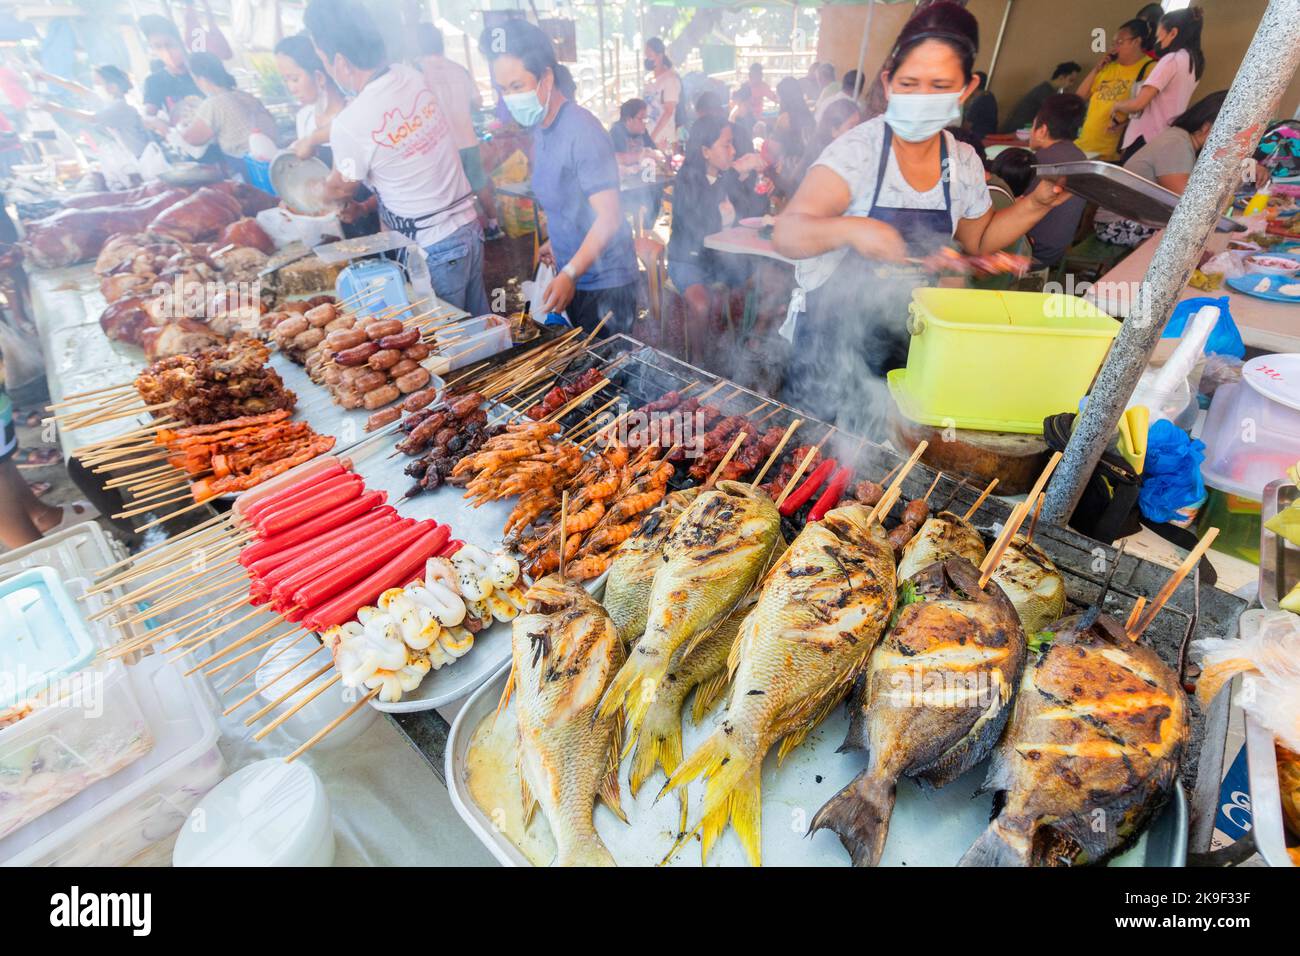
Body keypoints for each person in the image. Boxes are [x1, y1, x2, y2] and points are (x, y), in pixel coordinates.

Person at [773, 1, 1071, 422]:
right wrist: (851, 228)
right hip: (831, 345)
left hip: (911, 341)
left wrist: (1034, 206)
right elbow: (786, 233)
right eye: (910, 83)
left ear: (966, 88)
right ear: (889, 83)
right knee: (813, 459)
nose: (922, 97)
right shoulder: (859, 152)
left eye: (939, 85)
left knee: (887, 460)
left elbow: (978, 241)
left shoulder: (962, 162)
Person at [307, 0, 487, 316]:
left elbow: (337, 190)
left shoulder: (351, 123)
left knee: (452, 347)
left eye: (321, 59)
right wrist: (364, 207)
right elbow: (404, 168)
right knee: (482, 329)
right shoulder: (409, 76)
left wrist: (312, 187)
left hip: (433, 250)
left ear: (340, 61)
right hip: (468, 230)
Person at [480, 19, 638, 334]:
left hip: (607, 283)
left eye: (517, 86)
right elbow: (571, 200)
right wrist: (558, 239)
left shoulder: (583, 130)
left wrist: (569, 271)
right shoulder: (542, 127)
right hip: (575, 273)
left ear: (547, 78)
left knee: (609, 376)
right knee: (582, 370)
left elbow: (608, 217)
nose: (509, 98)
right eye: (502, 89)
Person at [667, 117, 768, 346]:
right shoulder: (687, 180)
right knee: (701, 305)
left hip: (718, 259)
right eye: (726, 145)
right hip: (688, 260)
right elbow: (701, 222)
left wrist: (758, 188)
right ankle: (697, 365)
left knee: (763, 282)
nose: (733, 151)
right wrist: (735, 172)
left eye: (733, 144)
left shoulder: (726, 177)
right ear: (705, 151)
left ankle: (746, 347)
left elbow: (751, 216)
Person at [1095, 90, 1238, 248]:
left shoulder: (1183, 141)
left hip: (1137, 219)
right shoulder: (1177, 143)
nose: (1232, 140)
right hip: (1116, 224)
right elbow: (1189, 204)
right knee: (1194, 241)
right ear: (1207, 127)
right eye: (1231, 132)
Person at [416, 23, 501, 240]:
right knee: (479, 184)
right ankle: (494, 224)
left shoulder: (418, 73)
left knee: (450, 193)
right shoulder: (459, 69)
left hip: (442, 146)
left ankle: (459, 235)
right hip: (468, 139)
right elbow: (477, 102)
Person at [1113, 6, 1204, 162]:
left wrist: (1116, 106)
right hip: (1163, 137)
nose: (1158, 41)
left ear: (1173, 33)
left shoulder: (1171, 60)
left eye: (1159, 35)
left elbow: (1139, 104)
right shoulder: (1194, 63)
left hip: (1144, 137)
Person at [179, 52, 280, 170]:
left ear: (200, 79)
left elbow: (192, 138)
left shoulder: (214, 103)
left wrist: (169, 130)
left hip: (253, 167)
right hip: (276, 158)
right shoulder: (245, 96)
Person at [1074, 18, 1153, 160]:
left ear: (1136, 41)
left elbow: (1148, 110)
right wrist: (1096, 70)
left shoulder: (1149, 68)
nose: (1114, 47)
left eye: (1120, 42)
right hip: (1084, 146)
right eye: (1113, 43)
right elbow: (1078, 98)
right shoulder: (1109, 67)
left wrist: (1125, 123)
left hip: (1111, 153)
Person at [34, 64, 153, 158]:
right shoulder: (109, 100)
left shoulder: (121, 106)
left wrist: (57, 109)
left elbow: (92, 118)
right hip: (134, 156)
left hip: (143, 157)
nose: (95, 87)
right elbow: (81, 90)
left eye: (98, 83)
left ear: (112, 87)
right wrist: (48, 77)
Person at [1025, 93, 1087, 269]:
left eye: (1033, 125)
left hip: (1033, 252)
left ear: (1042, 130)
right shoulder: (1080, 156)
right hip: (1057, 250)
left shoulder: (1039, 161)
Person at [275, 33, 345, 164]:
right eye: (286, 80)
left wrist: (311, 140)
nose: (291, 88)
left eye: (295, 79)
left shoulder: (352, 111)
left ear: (319, 77)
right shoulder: (304, 117)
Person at [137, 15, 200, 127]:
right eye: (158, 47)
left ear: (180, 43)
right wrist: (154, 122)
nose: (166, 51)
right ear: (152, 49)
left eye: (169, 44)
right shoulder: (154, 81)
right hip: (189, 139)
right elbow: (147, 115)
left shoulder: (201, 68)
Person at [1001, 61, 1081, 133]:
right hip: (1017, 131)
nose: (1072, 84)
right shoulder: (1045, 91)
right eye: (1071, 80)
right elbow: (1055, 115)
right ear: (1061, 77)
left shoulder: (1050, 91)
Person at [643, 38, 681, 151]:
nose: (647, 58)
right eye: (646, 55)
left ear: (660, 55)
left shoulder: (670, 79)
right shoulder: (648, 79)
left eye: (650, 55)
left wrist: (653, 137)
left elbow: (668, 111)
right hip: (649, 136)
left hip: (664, 139)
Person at [610, 98, 656, 166]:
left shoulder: (643, 131)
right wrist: (640, 156)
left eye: (646, 119)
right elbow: (615, 158)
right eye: (641, 119)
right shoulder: (616, 133)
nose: (645, 122)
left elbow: (652, 151)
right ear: (629, 120)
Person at [962, 70, 997, 142]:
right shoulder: (989, 95)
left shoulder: (979, 100)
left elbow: (967, 126)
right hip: (988, 135)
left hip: (978, 138)